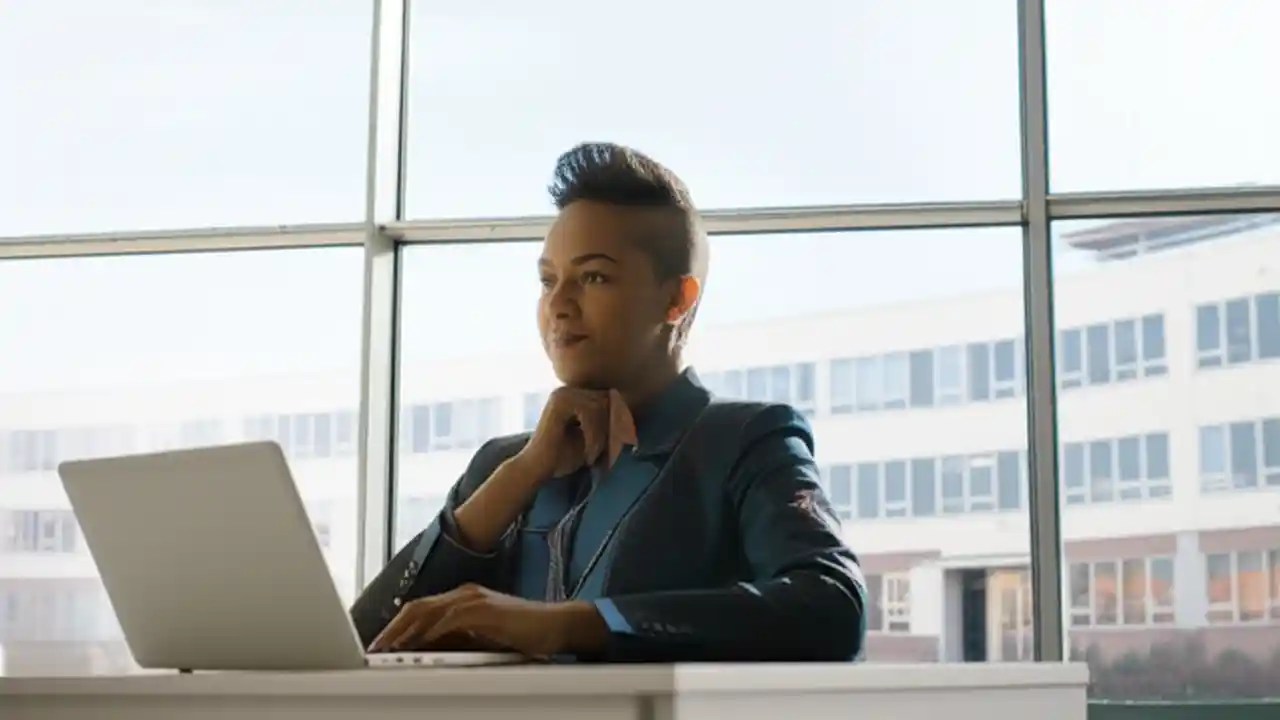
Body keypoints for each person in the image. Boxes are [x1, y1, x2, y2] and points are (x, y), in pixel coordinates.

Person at [351, 142, 867, 662]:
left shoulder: (744, 441)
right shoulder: (504, 466)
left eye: (593, 277)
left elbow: (833, 606)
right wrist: (522, 473)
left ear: (677, 299)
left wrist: (571, 625)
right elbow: (357, 639)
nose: (558, 304)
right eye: (548, 280)